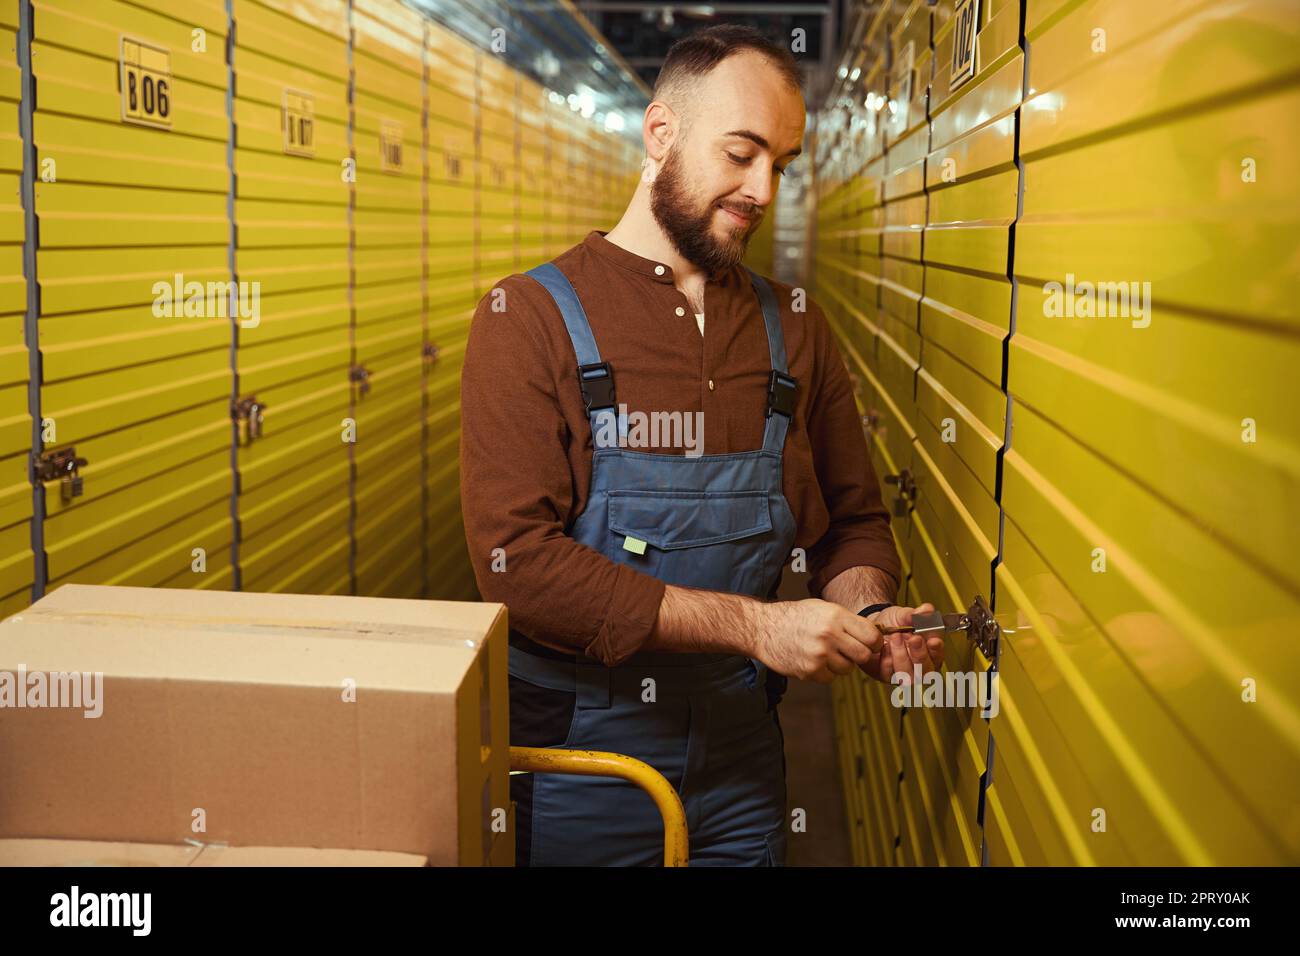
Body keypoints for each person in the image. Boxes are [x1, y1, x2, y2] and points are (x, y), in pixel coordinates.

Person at [459, 24, 944, 866]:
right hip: (579, 764)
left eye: (781, 165)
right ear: (661, 134)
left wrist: (866, 609)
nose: (763, 189)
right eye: (741, 153)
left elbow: (853, 522)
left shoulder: (795, 327)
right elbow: (517, 562)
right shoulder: (526, 319)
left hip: (740, 763)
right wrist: (758, 627)